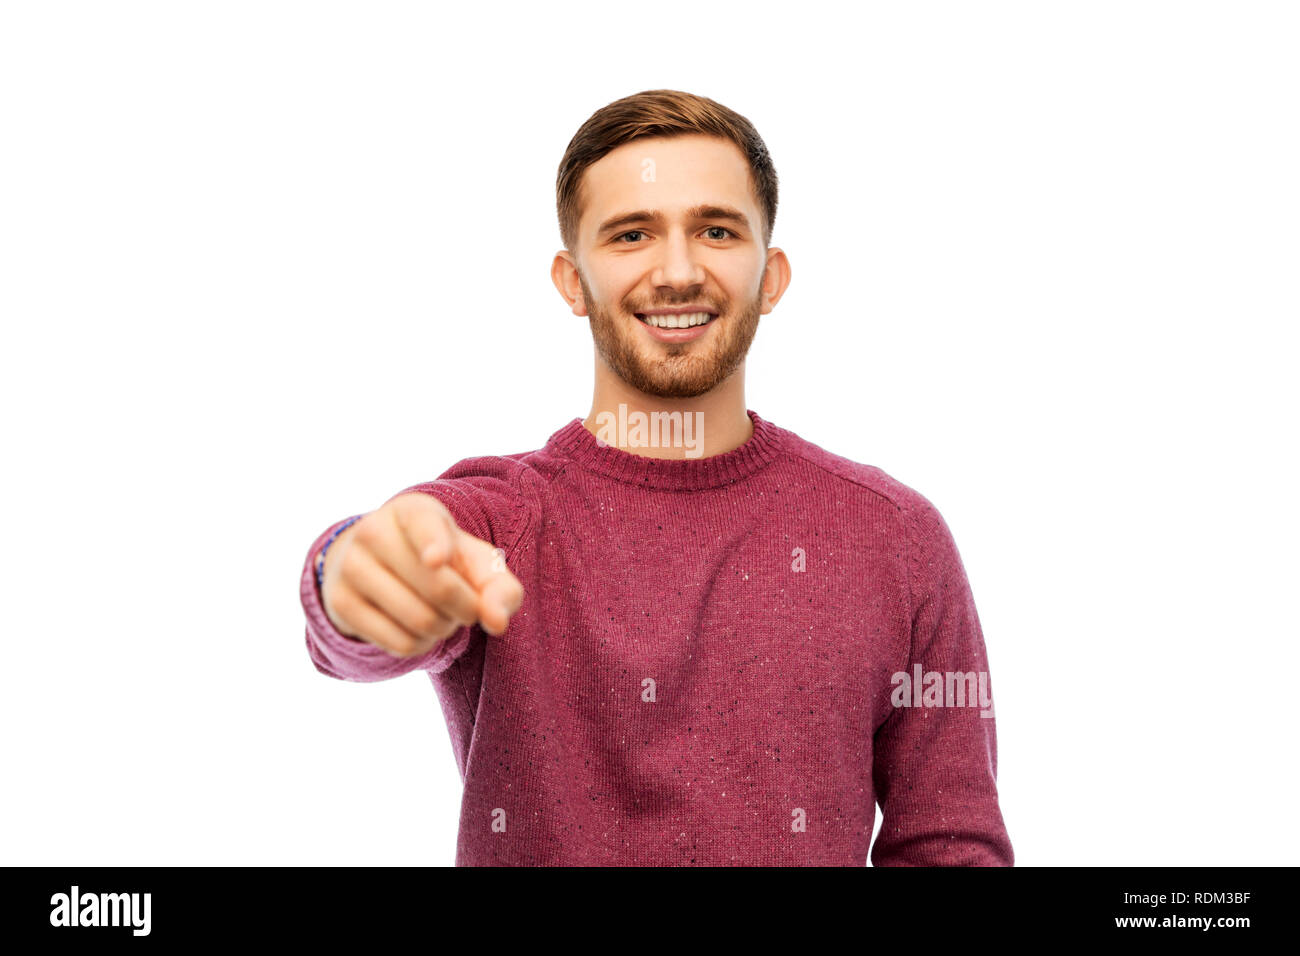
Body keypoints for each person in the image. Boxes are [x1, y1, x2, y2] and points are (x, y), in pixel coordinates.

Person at [299, 89, 1014, 866]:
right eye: (632, 234)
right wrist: (351, 571)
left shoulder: (895, 535)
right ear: (572, 282)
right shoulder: (496, 522)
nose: (678, 272)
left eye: (715, 230)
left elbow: (950, 846)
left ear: (770, 277)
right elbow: (373, 598)